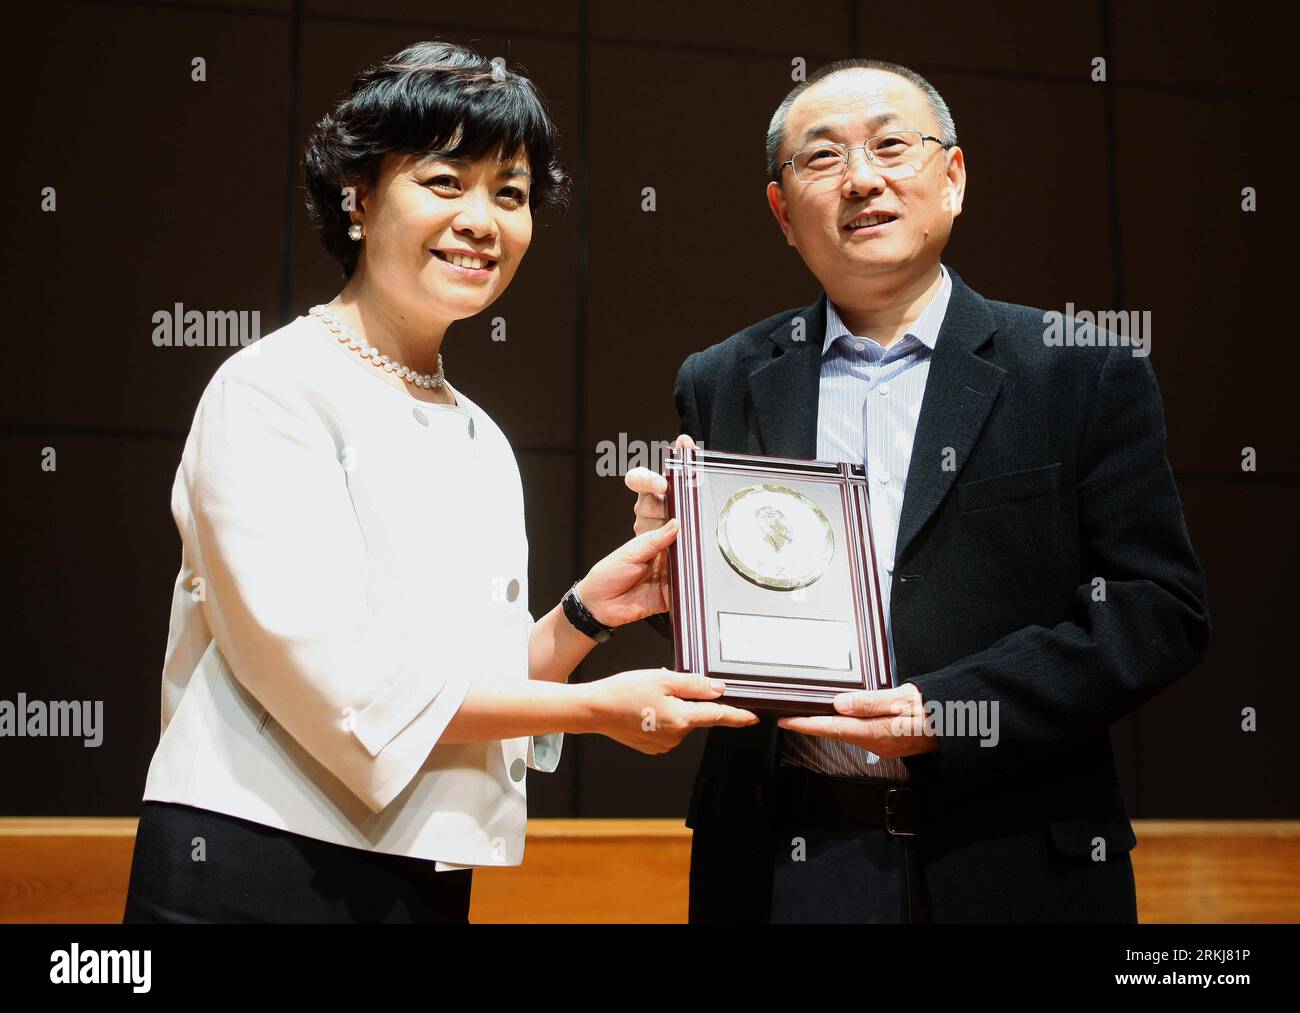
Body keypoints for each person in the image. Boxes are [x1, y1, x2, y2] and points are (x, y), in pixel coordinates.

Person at [122, 40, 755, 925]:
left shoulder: (480, 433)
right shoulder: (269, 387)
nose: (482, 220)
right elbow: (346, 689)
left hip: (420, 875)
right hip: (258, 862)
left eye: (510, 193)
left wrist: (584, 616)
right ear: (359, 198)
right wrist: (588, 711)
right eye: (444, 182)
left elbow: (469, 685)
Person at [627, 59, 1210, 923]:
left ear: (954, 177)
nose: (863, 179)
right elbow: (738, 630)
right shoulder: (723, 379)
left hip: (1008, 859)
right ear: (783, 213)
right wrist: (673, 583)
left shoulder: (1080, 366)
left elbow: (1157, 610)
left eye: (893, 146)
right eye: (822, 159)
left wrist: (951, 710)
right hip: (780, 858)